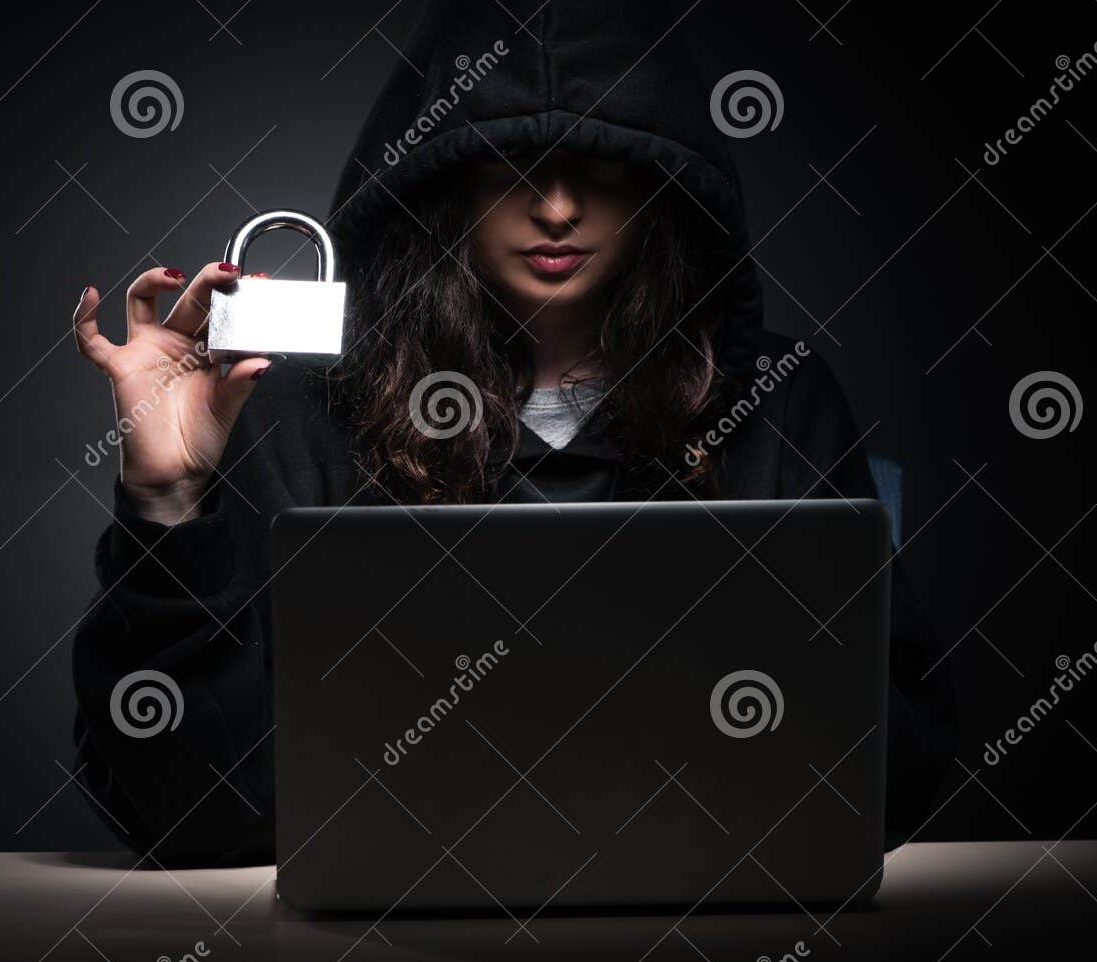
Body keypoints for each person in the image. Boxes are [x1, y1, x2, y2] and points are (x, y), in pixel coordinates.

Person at [68, 0, 956, 867]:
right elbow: (194, 813)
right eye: (512, 162)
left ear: (661, 178)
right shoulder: (295, 411)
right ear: (447, 176)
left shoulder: (775, 396)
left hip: (709, 952)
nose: (558, 207)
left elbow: (893, 772)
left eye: (602, 163)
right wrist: (168, 498)